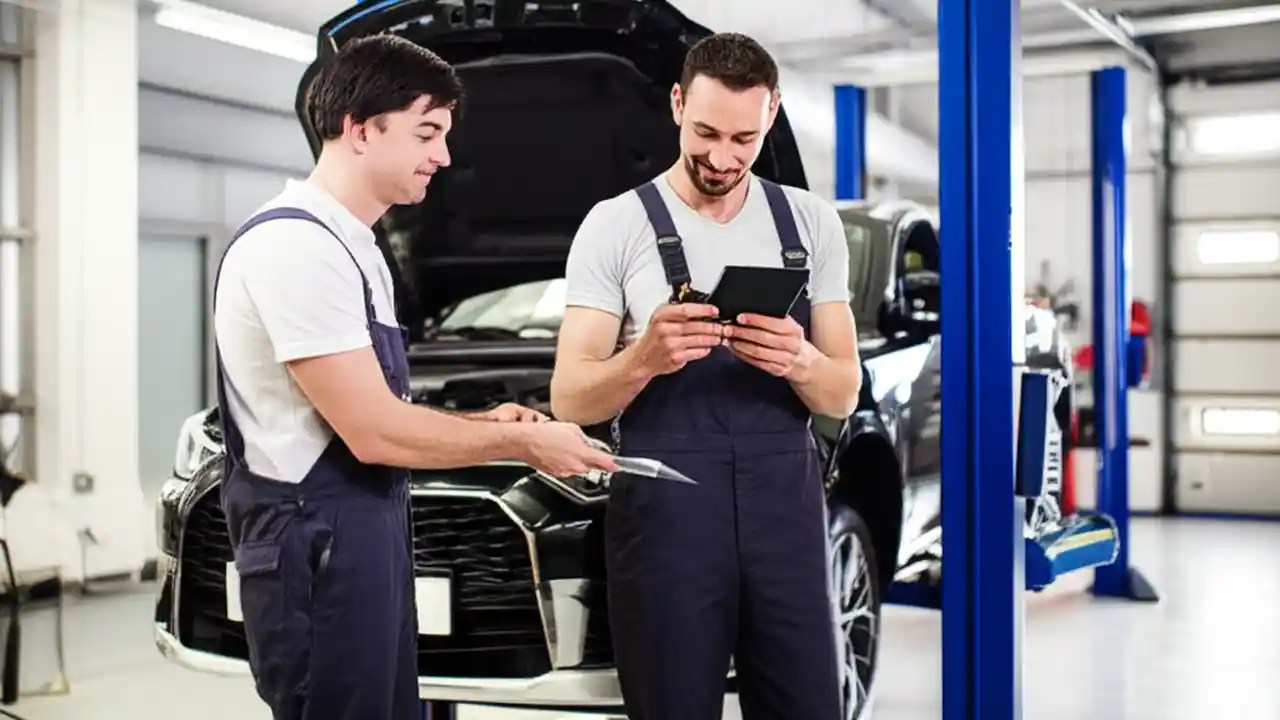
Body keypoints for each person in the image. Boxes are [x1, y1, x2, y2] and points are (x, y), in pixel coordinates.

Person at [212, 34, 618, 720]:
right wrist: (526, 446)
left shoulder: (357, 245)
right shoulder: (295, 247)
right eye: (427, 132)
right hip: (314, 547)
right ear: (361, 130)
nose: (445, 156)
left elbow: (375, 405)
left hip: (365, 533)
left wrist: (482, 422)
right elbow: (370, 432)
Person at [550, 32, 862, 720]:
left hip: (784, 508)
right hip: (667, 513)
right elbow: (569, 396)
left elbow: (843, 390)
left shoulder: (810, 224)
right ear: (676, 104)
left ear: (772, 114)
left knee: (807, 705)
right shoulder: (616, 226)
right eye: (706, 133)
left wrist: (799, 360)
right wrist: (644, 358)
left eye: (744, 139)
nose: (722, 158)